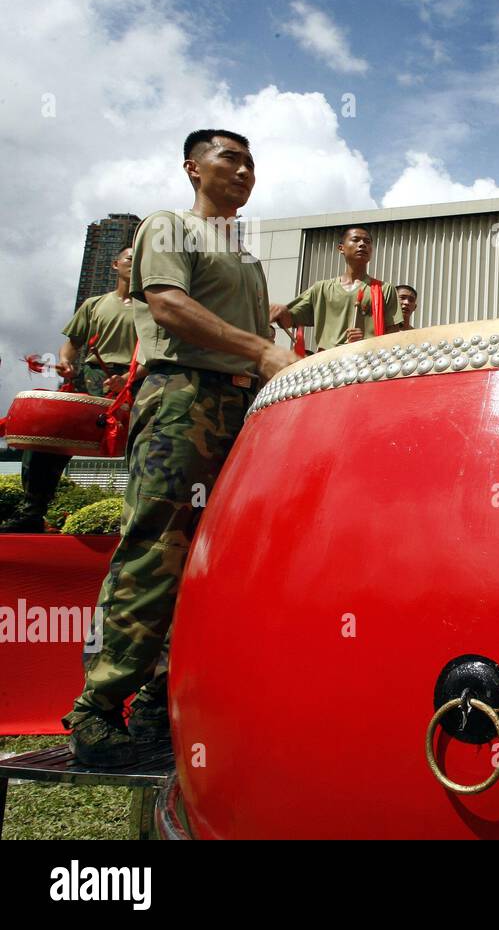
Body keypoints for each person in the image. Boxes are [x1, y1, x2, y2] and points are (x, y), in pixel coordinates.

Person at [62, 128, 298, 766]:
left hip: (238, 407)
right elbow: (168, 307)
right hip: (181, 401)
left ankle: (158, 711)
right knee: (157, 549)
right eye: (231, 159)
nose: (245, 171)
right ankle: (97, 712)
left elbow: (260, 347)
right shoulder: (169, 228)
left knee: (206, 559)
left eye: (251, 162)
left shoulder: (244, 257)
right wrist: (263, 349)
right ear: (193, 168)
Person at [1, 246, 139, 533]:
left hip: (137, 381)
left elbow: (156, 350)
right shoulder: (94, 304)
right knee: (48, 435)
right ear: (115, 264)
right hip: (93, 379)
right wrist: (65, 361)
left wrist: (128, 377)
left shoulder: (153, 307)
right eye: (129, 257)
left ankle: (140, 520)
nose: (135, 262)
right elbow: (73, 343)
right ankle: (33, 510)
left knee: (143, 446)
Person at [270, 227, 403, 349]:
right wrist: (279, 311)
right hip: (328, 365)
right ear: (341, 248)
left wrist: (366, 341)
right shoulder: (321, 289)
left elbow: (393, 335)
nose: (363, 244)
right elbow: (289, 319)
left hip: (367, 363)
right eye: (355, 240)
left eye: (367, 242)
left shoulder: (384, 289)